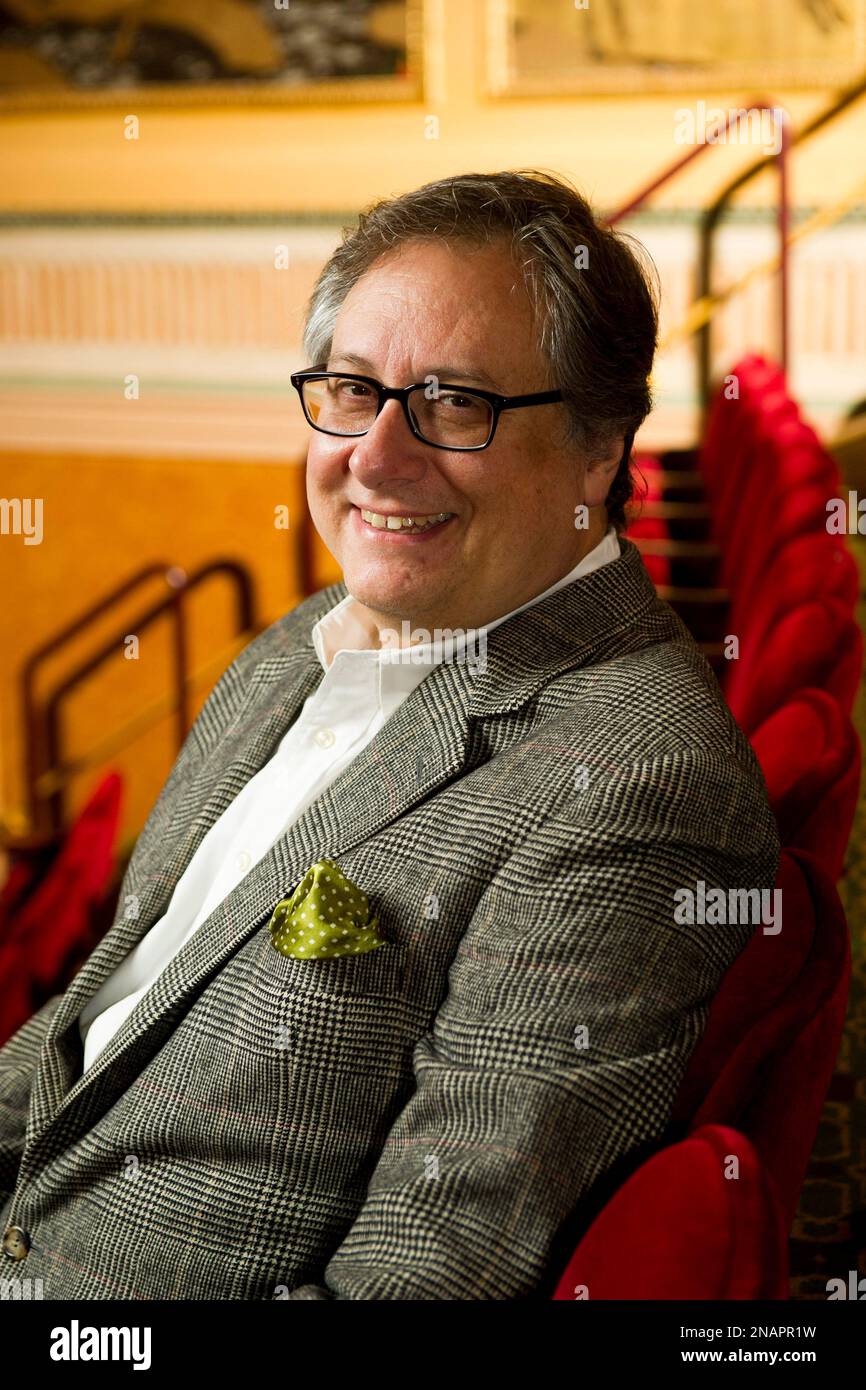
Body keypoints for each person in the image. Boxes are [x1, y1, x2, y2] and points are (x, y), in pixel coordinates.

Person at [0, 169, 780, 1300]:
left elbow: (428, 1275)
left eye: (455, 403)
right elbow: (102, 1022)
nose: (373, 456)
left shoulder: (635, 780)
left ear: (599, 450)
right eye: (352, 389)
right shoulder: (303, 640)